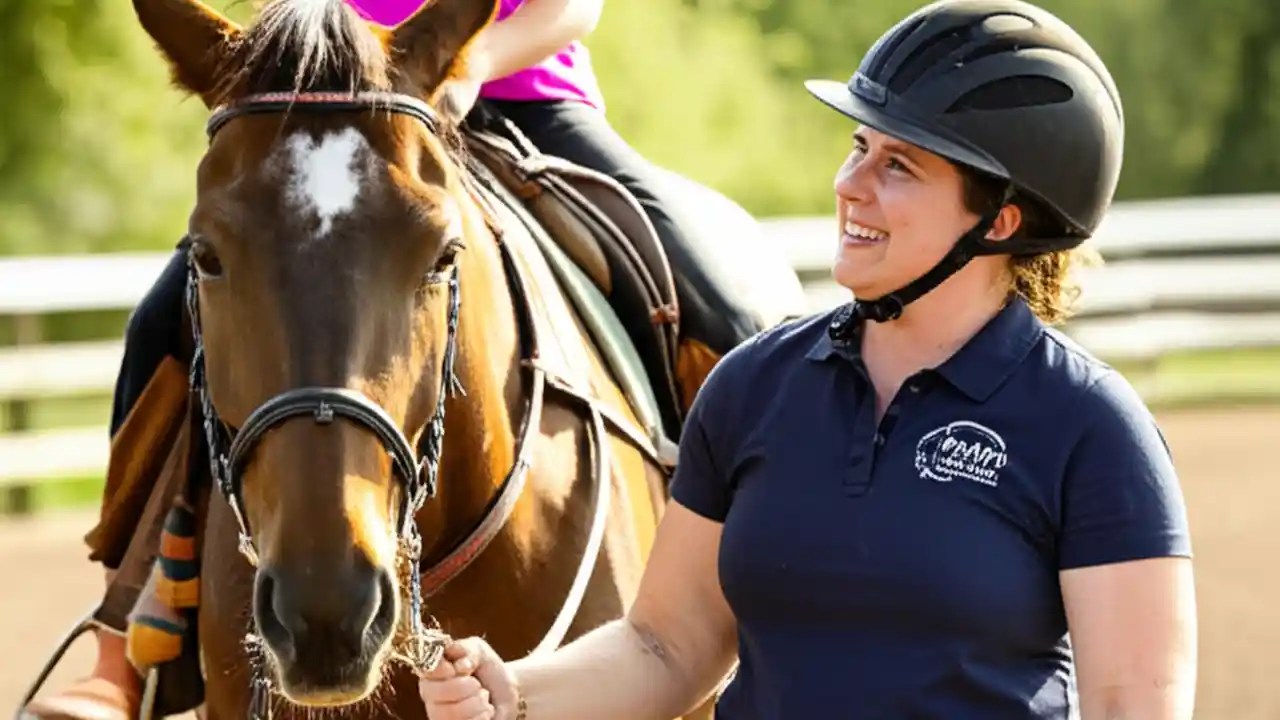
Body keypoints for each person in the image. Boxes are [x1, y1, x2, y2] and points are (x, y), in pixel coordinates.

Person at [417, 0, 1199, 718]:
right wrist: (515, 694)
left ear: (1000, 221)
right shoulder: (753, 384)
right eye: (860, 148)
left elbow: (1131, 706)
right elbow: (667, 645)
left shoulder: (1090, 430)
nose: (849, 185)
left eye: (899, 166)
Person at [22, 0, 778, 717]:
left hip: (527, 103)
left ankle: (768, 599)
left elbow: (571, 9)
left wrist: (473, 60)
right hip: (326, 109)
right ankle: (124, 632)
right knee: (173, 312)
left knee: (727, 303)